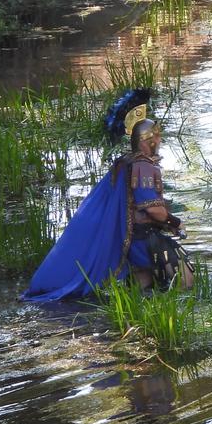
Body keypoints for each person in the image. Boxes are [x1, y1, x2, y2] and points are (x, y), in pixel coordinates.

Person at [24, 89, 193, 302]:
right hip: (143, 239)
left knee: (143, 285)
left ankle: (139, 315)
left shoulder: (125, 162)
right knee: (185, 278)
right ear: (147, 140)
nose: (159, 141)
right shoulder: (143, 167)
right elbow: (152, 209)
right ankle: (172, 314)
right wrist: (175, 222)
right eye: (157, 136)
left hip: (131, 238)